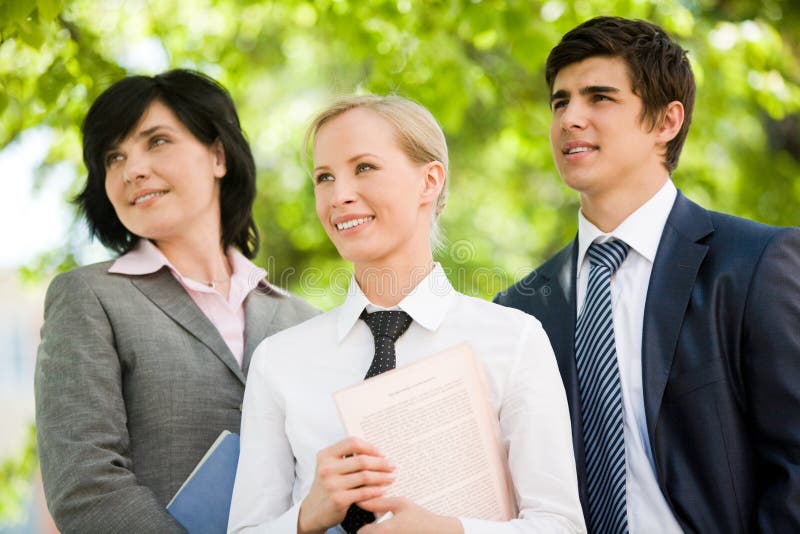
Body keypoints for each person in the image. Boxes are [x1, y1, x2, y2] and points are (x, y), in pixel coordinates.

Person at [495, 16, 800, 534]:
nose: (571, 118)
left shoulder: (754, 264)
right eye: (560, 101)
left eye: (600, 98)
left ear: (666, 121)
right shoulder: (521, 309)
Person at [227, 95, 586, 533]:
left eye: (364, 168)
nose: (339, 196)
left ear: (429, 181)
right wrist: (306, 517)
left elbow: (561, 526)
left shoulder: (513, 339)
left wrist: (451, 531)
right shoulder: (280, 360)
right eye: (324, 177)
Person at [34, 69, 318, 533]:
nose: (133, 169)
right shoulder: (89, 297)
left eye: (157, 141)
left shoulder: (305, 320)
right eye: (114, 157)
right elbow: (86, 489)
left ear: (218, 156)